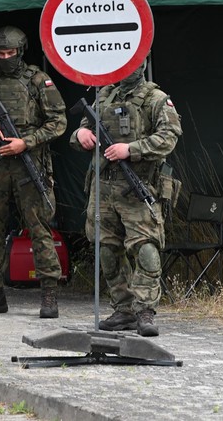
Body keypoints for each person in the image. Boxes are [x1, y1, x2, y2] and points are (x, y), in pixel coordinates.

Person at [70, 59, 181, 336]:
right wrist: (81, 133)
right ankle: (123, 310)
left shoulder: (156, 98)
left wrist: (131, 149)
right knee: (106, 250)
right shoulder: (104, 95)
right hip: (104, 189)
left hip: (138, 186)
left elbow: (169, 136)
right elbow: (79, 131)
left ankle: (145, 312)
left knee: (146, 250)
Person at [0, 26, 66, 319]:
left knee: (39, 228)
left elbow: (58, 122)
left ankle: (49, 294)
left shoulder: (37, 80)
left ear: (21, 52)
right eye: (0, 53)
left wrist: (26, 142)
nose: (5, 57)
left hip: (28, 164)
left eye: (10, 53)